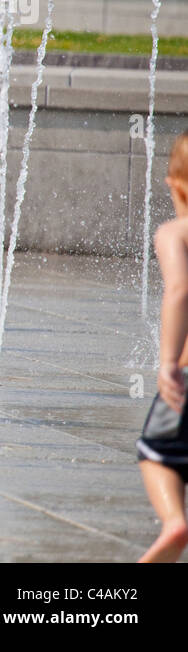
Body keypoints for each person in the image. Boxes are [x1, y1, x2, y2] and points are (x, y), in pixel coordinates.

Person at [138, 130, 188, 561]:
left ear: (175, 183)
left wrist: (168, 361)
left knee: (157, 454)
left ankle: (174, 521)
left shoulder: (175, 233)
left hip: (187, 377)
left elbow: (178, 290)